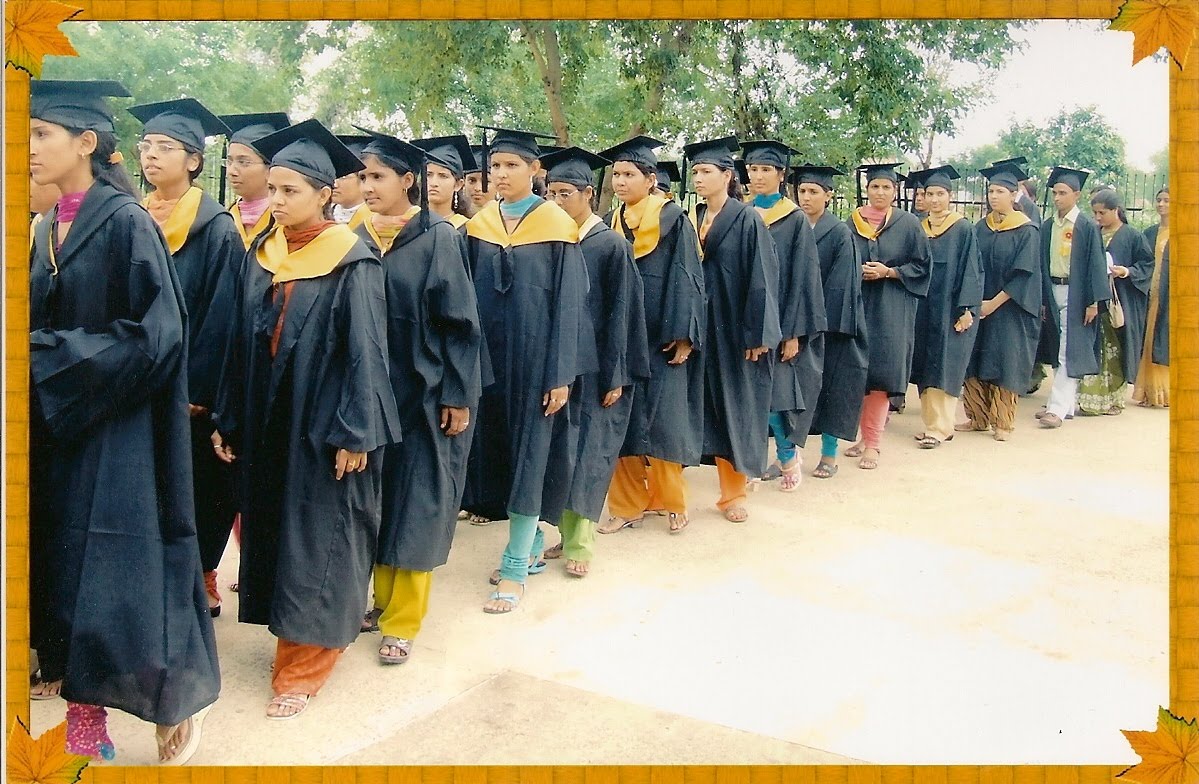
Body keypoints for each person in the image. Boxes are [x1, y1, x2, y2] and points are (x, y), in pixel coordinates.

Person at [28, 78, 219, 764]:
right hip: (60, 428)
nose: (26, 148)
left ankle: (155, 710)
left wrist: (50, 358)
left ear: (86, 142)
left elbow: (159, 335)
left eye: (40, 133)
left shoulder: (126, 221)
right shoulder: (49, 224)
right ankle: (83, 719)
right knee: (62, 571)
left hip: (119, 434)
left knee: (117, 582)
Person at [210, 119, 402, 718]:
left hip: (325, 425)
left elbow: (368, 351)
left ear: (324, 194)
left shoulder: (352, 258)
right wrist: (230, 418)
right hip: (272, 421)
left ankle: (307, 662)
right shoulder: (263, 251)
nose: (279, 200)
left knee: (321, 539)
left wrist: (356, 432)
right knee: (281, 535)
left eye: (291, 190)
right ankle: (289, 640)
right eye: (275, 188)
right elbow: (240, 343)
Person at [352, 130, 485, 662]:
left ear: (409, 181)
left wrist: (457, 393)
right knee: (375, 496)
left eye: (378, 176)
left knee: (417, 501)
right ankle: (378, 601)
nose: (368, 186)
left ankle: (403, 619)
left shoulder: (438, 239)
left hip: (424, 392)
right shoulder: (354, 233)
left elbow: (460, 324)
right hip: (368, 392)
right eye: (363, 176)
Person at [462, 127, 592, 612]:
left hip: (538, 366)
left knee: (532, 454)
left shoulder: (558, 228)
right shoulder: (478, 227)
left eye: (512, 166)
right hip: (490, 362)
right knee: (499, 452)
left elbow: (571, 310)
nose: (501, 175)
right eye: (495, 166)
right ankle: (531, 537)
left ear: (535, 171)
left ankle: (516, 565)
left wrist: (561, 373)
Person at [129, 98, 243, 619]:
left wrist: (197, 389)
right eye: (146, 146)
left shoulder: (216, 228)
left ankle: (200, 576)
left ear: (194, 160)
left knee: (196, 485)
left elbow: (222, 316)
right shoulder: (132, 217)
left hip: (186, 389)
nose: (151, 157)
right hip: (136, 379)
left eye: (164, 148)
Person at [539, 145, 648, 575]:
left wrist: (616, 376)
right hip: (563, 368)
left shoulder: (609, 245)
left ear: (588, 194)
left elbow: (623, 315)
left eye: (565, 193)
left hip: (600, 370)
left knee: (590, 457)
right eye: (550, 193)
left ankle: (580, 546)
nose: (556, 201)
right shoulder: (550, 241)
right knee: (562, 456)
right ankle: (564, 537)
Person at [599, 135, 705, 534]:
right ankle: (626, 506)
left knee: (664, 420)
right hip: (622, 336)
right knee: (620, 421)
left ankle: (670, 501)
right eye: (617, 174)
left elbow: (689, 278)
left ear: (650, 179)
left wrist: (684, 333)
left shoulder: (673, 218)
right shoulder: (609, 221)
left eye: (630, 174)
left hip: (661, 336)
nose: (622, 181)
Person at [685, 135, 781, 522]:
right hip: (698, 326)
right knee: (695, 405)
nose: (698, 179)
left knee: (734, 408)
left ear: (727, 175)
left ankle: (734, 495)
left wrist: (758, 333)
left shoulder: (747, 219)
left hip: (734, 328)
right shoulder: (689, 217)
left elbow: (762, 277)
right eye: (695, 172)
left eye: (706, 171)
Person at [741, 140, 826, 491]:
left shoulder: (793, 220)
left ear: (780, 174)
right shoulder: (741, 211)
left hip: (779, 323)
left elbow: (804, 279)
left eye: (765, 170)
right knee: (746, 397)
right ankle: (748, 465)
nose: (758, 176)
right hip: (745, 320)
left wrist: (792, 333)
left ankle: (788, 454)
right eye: (753, 169)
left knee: (775, 398)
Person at [844, 162, 931, 470]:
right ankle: (863, 436)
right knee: (859, 375)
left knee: (881, 374)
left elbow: (922, 266)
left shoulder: (908, 224)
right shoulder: (851, 223)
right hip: (859, 304)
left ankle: (874, 444)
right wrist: (858, 273)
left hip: (892, 307)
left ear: (895, 191)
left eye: (886, 187)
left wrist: (890, 271)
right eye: (874, 187)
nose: (880, 192)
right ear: (866, 190)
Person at [788, 165, 865, 479]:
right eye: (802, 191)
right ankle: (788, 457)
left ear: (829, 195)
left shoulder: (839, 233)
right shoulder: (792, 226)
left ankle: (829, 456)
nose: (805, 197)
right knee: (792, 395)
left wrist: (818, 322)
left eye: (813, 192)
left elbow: (842, 286)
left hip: (831, 327)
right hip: (797, 325)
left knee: (832, 391)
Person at [959, 161, 1043, 440]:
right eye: (990, 191)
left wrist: (993, 303)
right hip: (979, 304)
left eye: (999, 192)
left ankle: (1003, 423)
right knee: (975, 358)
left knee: (1005, 361)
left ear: (1013, 195)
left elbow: (1024, 274)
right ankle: (977, 417)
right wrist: (975, 303)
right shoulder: (980, 228)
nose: (993, 196)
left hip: (1010, 307)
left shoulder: (1026, 230)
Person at [906, 165, 982, 448]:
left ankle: (940, 427)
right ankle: (934, 425)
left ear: (950, 196)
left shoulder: (962, 228)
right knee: (926, 364)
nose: (934, 199)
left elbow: (971, 270)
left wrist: (967, 309)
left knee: (944, 364)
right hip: (923, 307)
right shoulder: (918, 227)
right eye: (929, 194)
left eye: (940, 194)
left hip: (950, 307)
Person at [1035, 165, 1109, 429]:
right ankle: (1066, 405)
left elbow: (1096, 265)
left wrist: (1093, 301)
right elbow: (1042, 263)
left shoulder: (1086, 226)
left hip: (1077, 293)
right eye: (1055, 193)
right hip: (1052, 290)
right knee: (1057, 347)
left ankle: (1055, 409)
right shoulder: (1047, 226)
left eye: (1063, 193)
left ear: (1077, 195)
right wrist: (1044, 299)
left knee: (1068, 349)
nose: (1057, 198)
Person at [1077, 188, 1153, 416]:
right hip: (1094, 301)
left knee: (1116, 349)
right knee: (1094, 347)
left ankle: (1113, 399)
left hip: (1120, 301)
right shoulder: (1093, 233)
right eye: (1095, 213)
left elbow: (1147, 264)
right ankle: (1090, 399)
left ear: (1115, 211)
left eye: (1102, 213)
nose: (1098, 218)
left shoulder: (1132, 236)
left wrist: (1126, 271)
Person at [220, 112, 291, 249]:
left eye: (244, 162)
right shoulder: (224, 218)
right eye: (229, 161)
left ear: (270, 169)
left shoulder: (285, 222)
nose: (231, 171)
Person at [1135, 186, 1170, 407]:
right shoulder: (1150, 232)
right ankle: (1152, 392)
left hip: (1172, 292)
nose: (1161, 205)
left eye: (1167, 200)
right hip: (1153, 292)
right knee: (1150, 339)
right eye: (1159, 200)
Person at [412, 134, 475, 229]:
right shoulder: (410, 226)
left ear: (458, 185)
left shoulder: (469, 229)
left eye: (443, 176)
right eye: (428, 174)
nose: (434, 183)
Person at [332, 133, 371, 228]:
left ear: (363, 179)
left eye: (343, 177)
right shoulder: (323, 215)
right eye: (334, 176)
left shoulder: (374, 219)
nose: (334, 184)